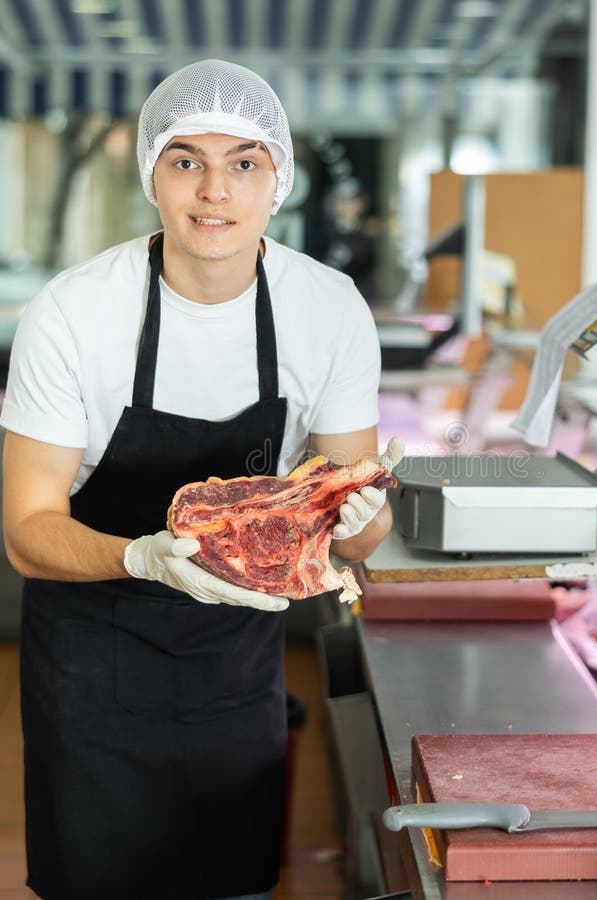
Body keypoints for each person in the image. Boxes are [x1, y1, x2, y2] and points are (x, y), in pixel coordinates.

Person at [0, 59, 402, 900]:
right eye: (186, 160)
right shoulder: (75, 314)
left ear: (278, 179)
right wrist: (143, 558)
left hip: (233, 668)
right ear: (151, 171)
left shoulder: (327, 310)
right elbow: (28, 531)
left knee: (230, 882)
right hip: (90, 660)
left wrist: (360, 516)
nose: (214, 191)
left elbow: (355, 538)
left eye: (243, 163)